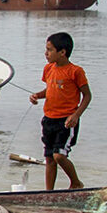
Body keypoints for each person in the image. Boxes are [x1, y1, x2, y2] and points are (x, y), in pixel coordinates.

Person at [29, 32, 91, 190]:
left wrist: (76, 115)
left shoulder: (75, 71)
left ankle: (76, 182)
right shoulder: (48, 69)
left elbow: (87, 95)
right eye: (46, 49)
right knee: (49, 158)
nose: (46, 53)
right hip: (49, 119)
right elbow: (50, 90)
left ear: (62, 52)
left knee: (59, 155)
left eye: (49, 50)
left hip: (66, 120)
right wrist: (37, 95)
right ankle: (49, 192)